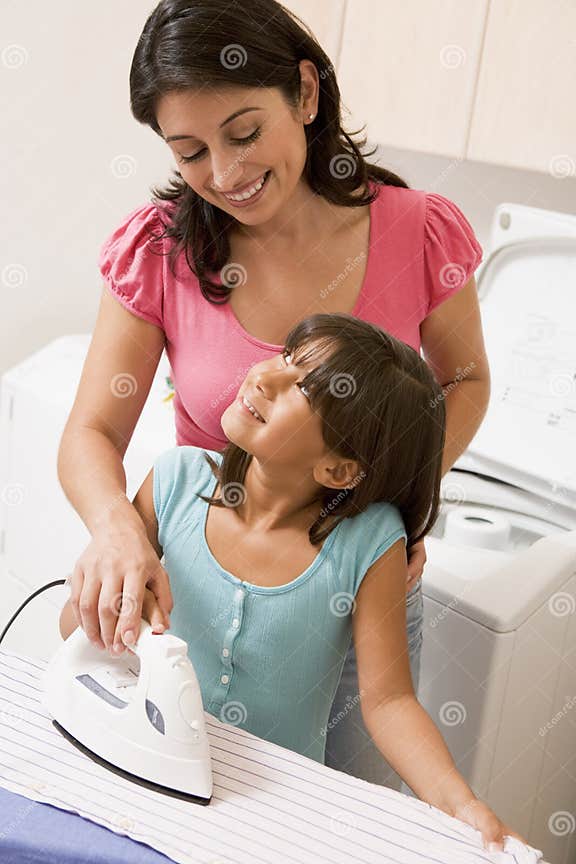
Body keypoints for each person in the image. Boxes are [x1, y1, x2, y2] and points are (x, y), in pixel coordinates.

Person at [58, 0, 491, 798]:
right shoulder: (162, 248)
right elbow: (90, 429)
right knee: (201, 801)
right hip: (200, 588)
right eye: (190, 151)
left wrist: (389, 501)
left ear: (306, 93)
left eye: (244, 133)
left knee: (360, 818)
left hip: (368, 592)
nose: (224, 174)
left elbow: (463, 381)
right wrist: (118, 531)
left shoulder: (419, 231)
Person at [59, 312, 521, 853]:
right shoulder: (175, 482)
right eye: (285, 357)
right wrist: (108, 603)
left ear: (339, 470)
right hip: (154, 777)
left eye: (302, 388)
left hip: (277, 819)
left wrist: (460, 804)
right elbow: (76, 627)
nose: (264, 376)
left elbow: (389, 703)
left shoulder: (369, 544)